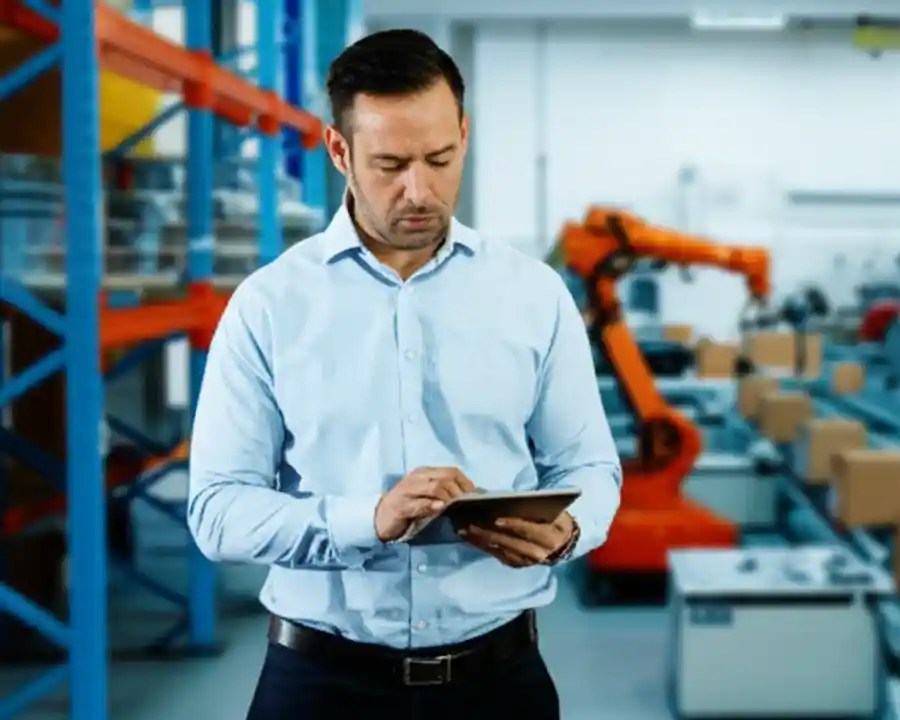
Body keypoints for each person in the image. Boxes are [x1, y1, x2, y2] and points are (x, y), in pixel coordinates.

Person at [186, 27, 622, 720]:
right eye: (390, 164)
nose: (419, 190)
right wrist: (368, 519)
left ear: (464, 136)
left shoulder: (534, 296)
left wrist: (568, 530)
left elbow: (591, 466)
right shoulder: (269, 306)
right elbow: (217, 511)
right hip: (320, 685)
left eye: (439, 159)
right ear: (339, 151)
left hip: (499, 682)